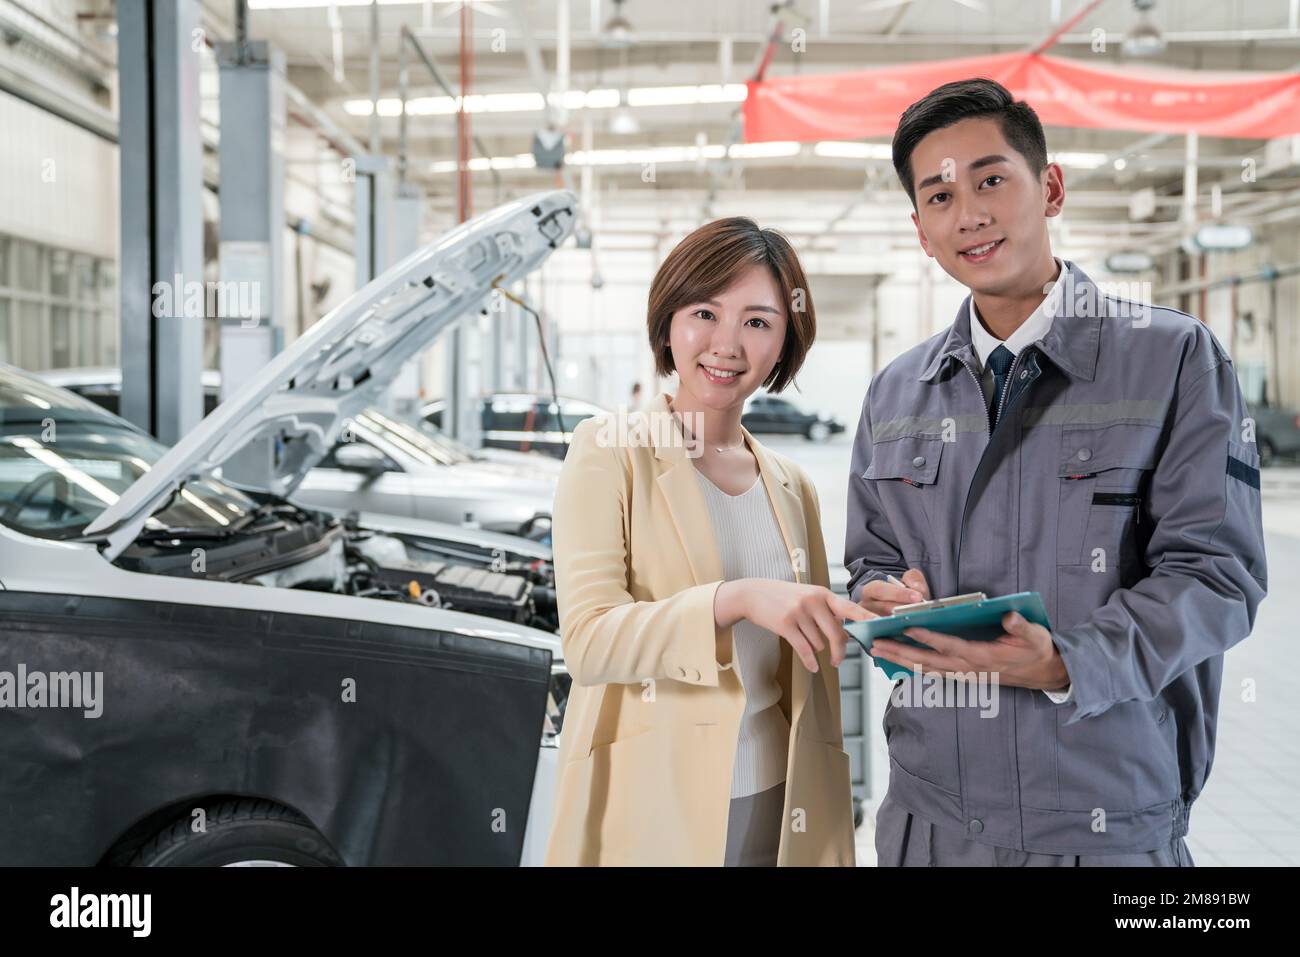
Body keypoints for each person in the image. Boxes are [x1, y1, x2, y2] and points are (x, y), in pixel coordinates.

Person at [846, 79, 1267, 866]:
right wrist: (880, 593)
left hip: (1102, 822)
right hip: (930, 821)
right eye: (938, 195)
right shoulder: (897, 391)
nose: (967, 212)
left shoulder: (1170, 359)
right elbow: (870, 557)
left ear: (1051, 186)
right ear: (920, 230)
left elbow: (1219, 576)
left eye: (990, 180)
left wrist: (1066, 660)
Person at [545, 217, 867, 866]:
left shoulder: (791, 484)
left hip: (779, 791)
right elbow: (588, 642)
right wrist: (734, 598)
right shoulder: (610, 453)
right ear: (669, 324)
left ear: (784, 341)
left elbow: (805, 647)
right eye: (704, 312)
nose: (726, 343)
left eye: (756, 321)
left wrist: (877, 614)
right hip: (655, 797)